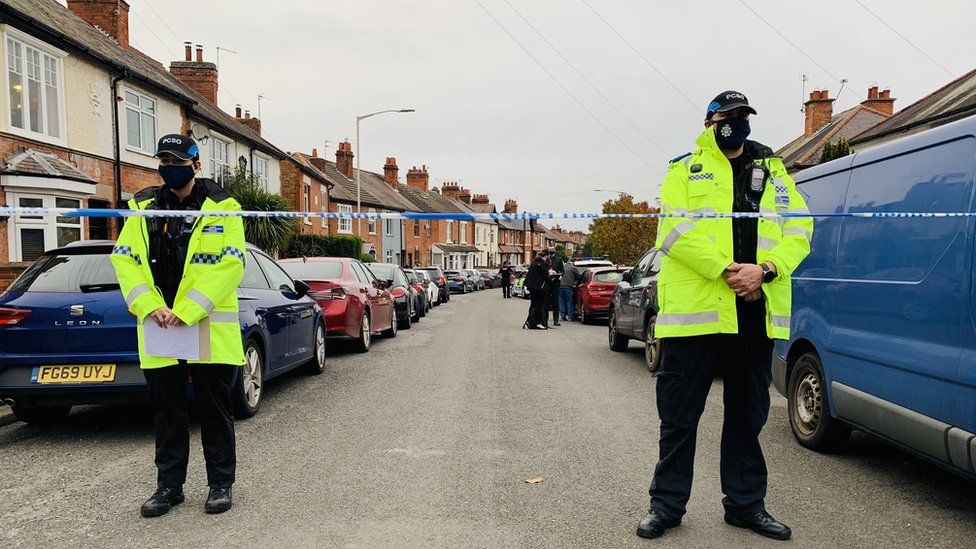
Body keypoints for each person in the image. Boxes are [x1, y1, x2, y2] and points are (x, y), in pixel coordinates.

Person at [636, 91, 812, 541]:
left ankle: (747, 506)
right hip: (697, 319)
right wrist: (727, 270)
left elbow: (799, 228)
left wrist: (766, 270)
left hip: (754, 315)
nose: (735, 122)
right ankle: (666, 506)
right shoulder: (683, 169)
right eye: (726, 115)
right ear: (710, 120)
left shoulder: (774, 172)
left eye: (742, 115)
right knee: (678, 419)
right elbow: (672, 232)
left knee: (747, 418)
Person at [110, 134, 247, 518]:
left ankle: (220, 484)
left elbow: (231, 264)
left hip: (204, 325)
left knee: (214, 409)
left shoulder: (224, 207)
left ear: (195, 164)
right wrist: (150, 306)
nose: (169, 165)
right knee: (167, 413)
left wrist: (187, 310)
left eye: (177, 159)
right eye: (164, 159)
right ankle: (169, 487)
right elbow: (125, 259)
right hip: (159, 325)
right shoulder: (142, 206)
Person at [522, 251, 550, 330]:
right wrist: (551, 275)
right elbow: (546, 277)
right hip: (539, 288)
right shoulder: (542, 264)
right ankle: (537, 323)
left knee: (533, 305)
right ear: (546, 256)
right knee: (539, 306)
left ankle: (529, 322)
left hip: (532, 287)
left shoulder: (534, 263)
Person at [546, 249, 564, 326]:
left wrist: (559, 275)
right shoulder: (546, 259)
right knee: (546, 302)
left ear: (555, 251)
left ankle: (556, 320)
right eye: (550, 250)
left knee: (555, 302)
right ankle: (544, 320)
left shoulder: (559, 259)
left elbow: (562, 271)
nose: (551, 251)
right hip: (547, 283)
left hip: (556, 283)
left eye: (552, 249)